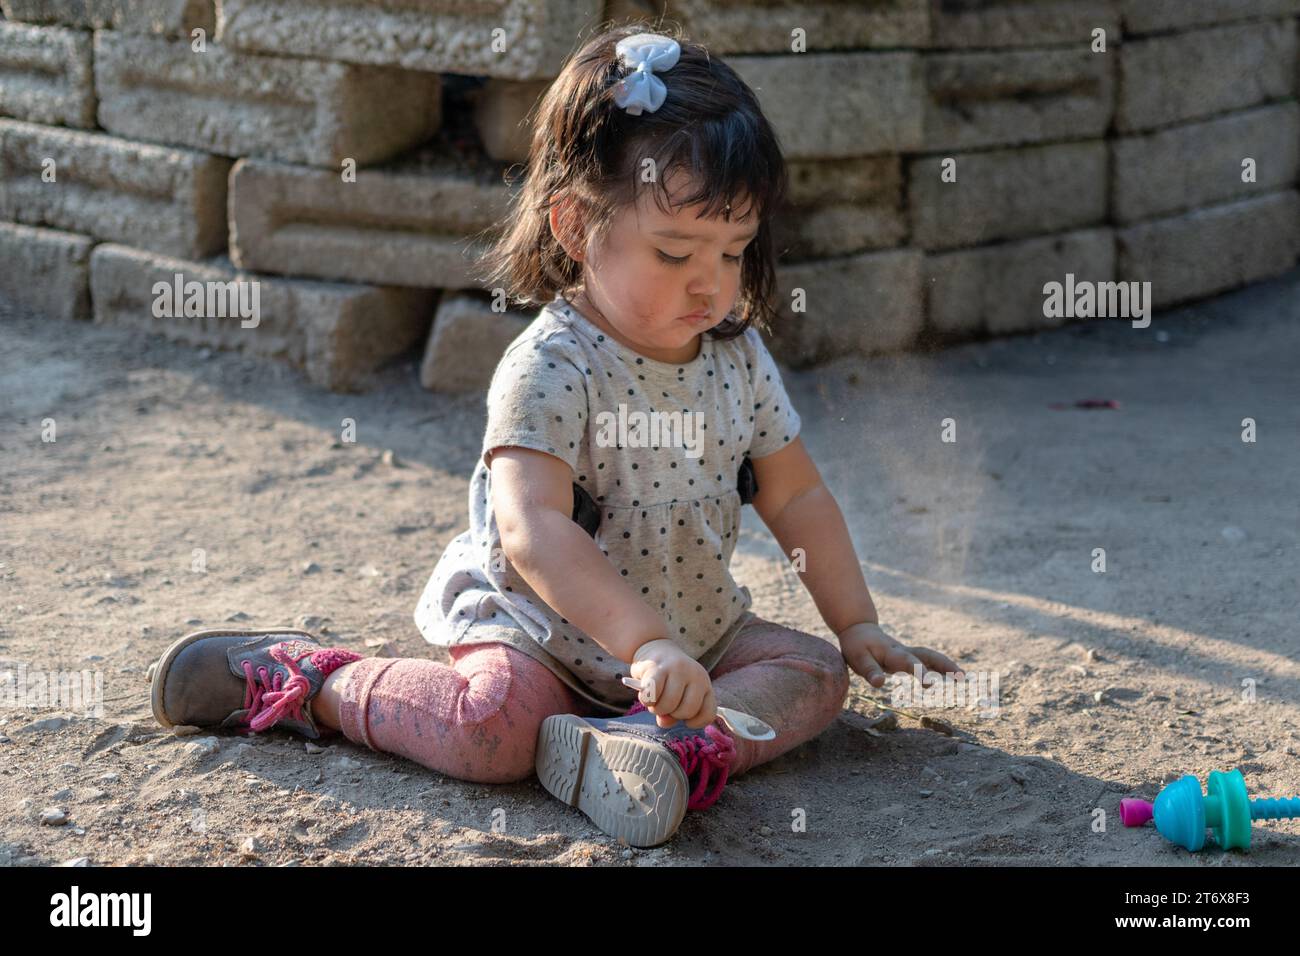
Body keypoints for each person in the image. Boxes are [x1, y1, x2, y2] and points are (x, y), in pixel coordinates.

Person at [146, 23, 963, 848]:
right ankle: (308, 680)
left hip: (692, 633)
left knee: (814, 675)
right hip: (543, 637)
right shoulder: (551, 367)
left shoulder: (737, 356)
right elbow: (530, 528)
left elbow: (795, 491)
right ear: (575, 226)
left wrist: (856, 623)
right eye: (675, 251)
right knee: (489, 730)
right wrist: (641, 642)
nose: (711, 283)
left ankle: (656, 750)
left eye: (734, 250)